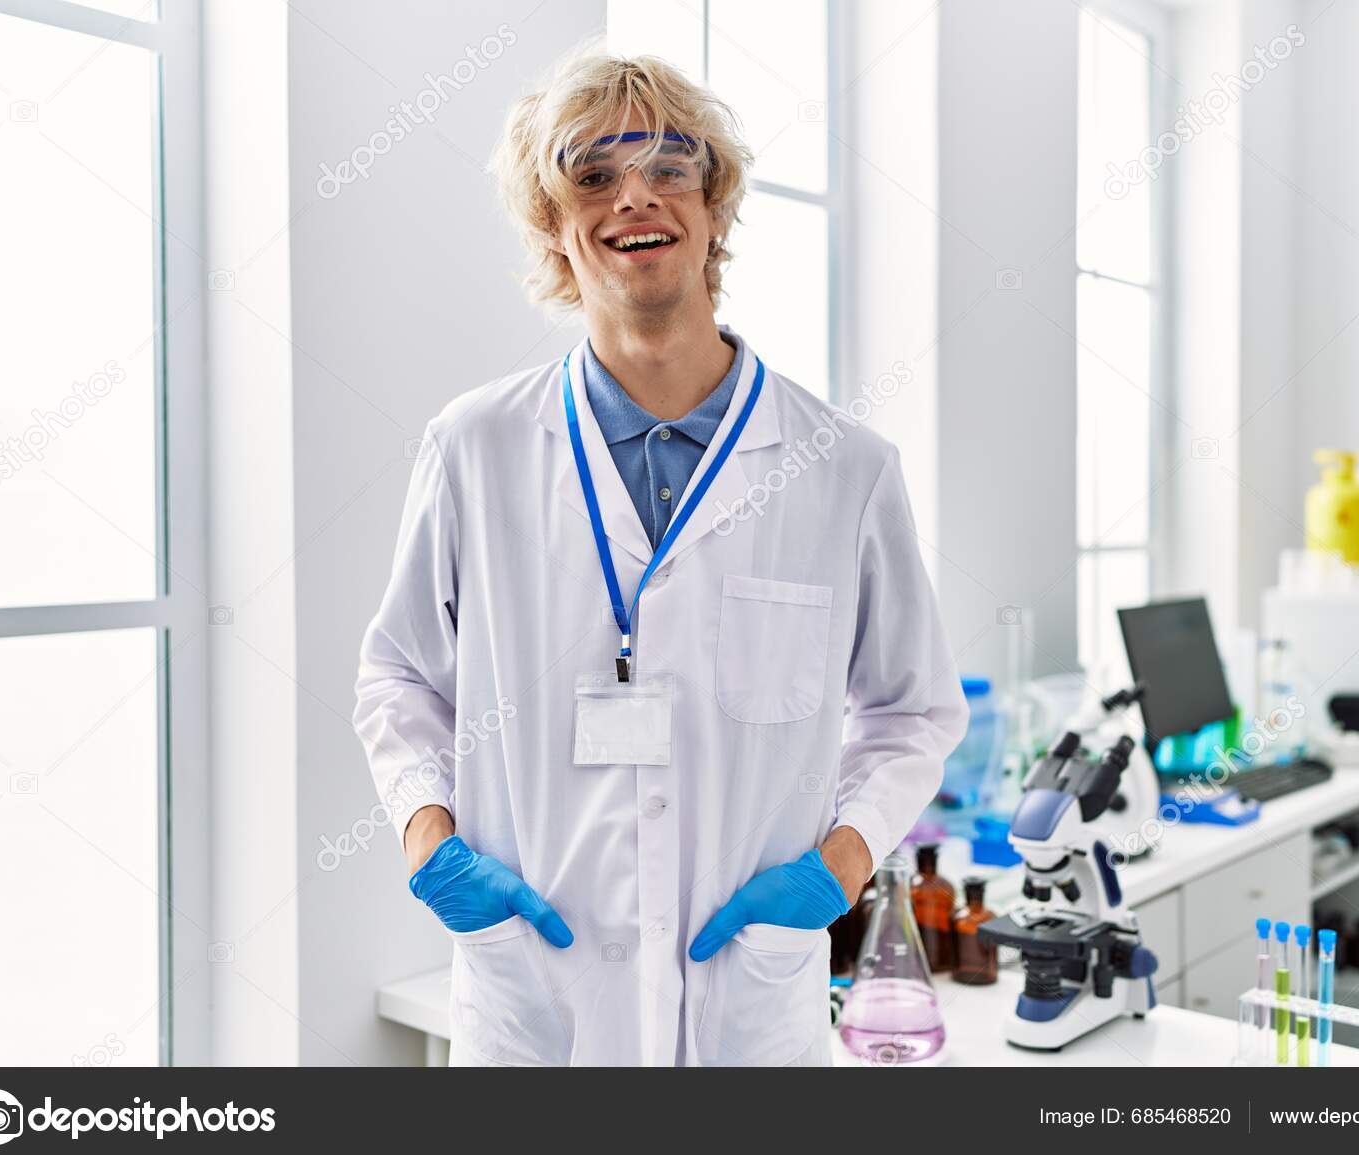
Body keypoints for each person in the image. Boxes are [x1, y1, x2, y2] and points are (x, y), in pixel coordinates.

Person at [352, 46, 967, 1067]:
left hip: (747, 1000)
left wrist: (840, 865)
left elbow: (912, 711)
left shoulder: (842, 466)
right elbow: (399, 671)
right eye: (589, 174)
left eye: (670, 166)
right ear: (551, 222)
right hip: (534, 994)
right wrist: (429, 841)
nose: (633, 197)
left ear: (714, 202)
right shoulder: (475, 446)